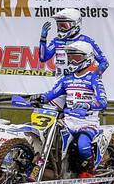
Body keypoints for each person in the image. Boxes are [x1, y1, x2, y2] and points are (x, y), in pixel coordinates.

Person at [36, 40, 109, 177]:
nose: (72, 61)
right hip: (67, 120)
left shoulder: (94, 78)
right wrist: (38, 98)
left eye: (76, 58)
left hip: (87, 122)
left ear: (87, 59)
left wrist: (87, 105)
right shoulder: (66, 79)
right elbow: (51, 94)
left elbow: (103, 102)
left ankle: (88, 170)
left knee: (82, 145)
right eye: (70, 57)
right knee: (47, 135)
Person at [39, 8, 108, 77]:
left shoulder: (86, 41)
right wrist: (43, 39)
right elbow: (43, 57)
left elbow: (104, 62)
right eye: (59, 25)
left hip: (80, 83)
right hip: (61, 82)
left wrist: (95, 76)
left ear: (76, 24)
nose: (61, 29)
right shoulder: (57, 41)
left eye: (64, 26)